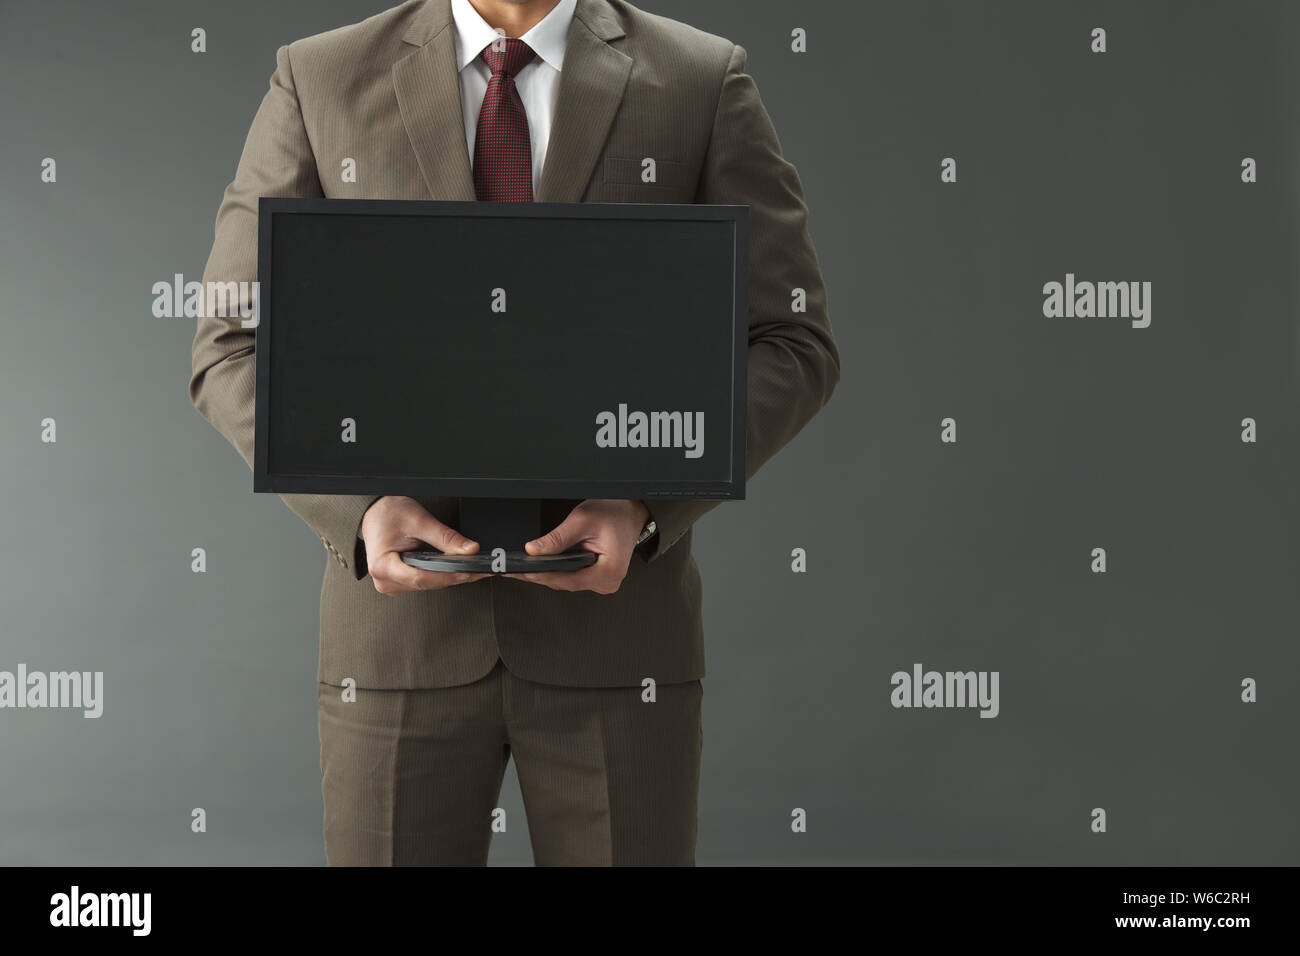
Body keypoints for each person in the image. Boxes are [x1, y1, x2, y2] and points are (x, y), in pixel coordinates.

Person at [190, 0, 839, 866]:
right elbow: (232, 340)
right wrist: (360, 509)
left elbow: (791, 339)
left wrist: (643, 502)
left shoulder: (698, 79)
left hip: (619, 646)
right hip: (394, 647)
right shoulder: (320, 76)